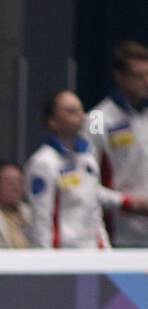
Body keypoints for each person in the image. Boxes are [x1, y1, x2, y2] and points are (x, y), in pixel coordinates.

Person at [25, 90, 148, 248]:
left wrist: (105, 250)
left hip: (91, 250)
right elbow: (41, 221)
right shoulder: (43, 163)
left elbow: (94, 205)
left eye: (80, 110)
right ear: (52, 122)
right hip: (64, 254)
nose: (81, 116)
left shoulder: (87, 157)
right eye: (71, 111)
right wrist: (46, 264)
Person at [89, 41, 148, 246]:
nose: (146, 81)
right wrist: (129, 203)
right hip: (122, 234)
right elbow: (87, 184)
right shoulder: (97, 119)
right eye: (139, 76)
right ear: (120, 77)